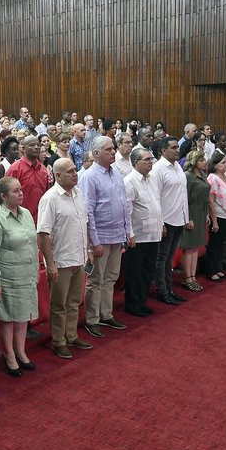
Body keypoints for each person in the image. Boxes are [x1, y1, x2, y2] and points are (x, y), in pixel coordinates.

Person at [37, 158, 93, 359]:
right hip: (61, 260)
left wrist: (88, 251)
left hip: (79, 256)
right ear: (58, 176)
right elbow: (43, 234)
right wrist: (50, 263)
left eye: (75, 170)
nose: (75, 174)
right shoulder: (50, 198)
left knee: (74, 301)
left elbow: (84, 224)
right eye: (69, 171)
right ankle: (58, 340)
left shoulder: (78, 193)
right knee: (59, 304)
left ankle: (71, 335)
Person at [78, 137, 134, 337]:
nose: (113, 152)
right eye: (108, 149)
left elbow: (124, 204)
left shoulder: (116, 173)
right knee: (96, 280)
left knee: (110, 278)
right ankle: (92, 319)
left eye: (113, 149)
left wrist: (127, 232)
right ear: (96, 154)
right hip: (100, 236)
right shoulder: (89, 177)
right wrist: (94, 242)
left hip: (117, 234)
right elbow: (88, 212)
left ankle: (106, 314)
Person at [0, 177, 38, 376]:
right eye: (15, 191)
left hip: (27, 273)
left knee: (23, 316)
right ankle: (9, 355)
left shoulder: (26, 213)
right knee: (8, 318)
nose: (20, 194)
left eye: (20, 190)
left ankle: (20, 351)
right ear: (3, 196)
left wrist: (35, 270)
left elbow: (32, 244)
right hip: (8, 277)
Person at [151, 137, 190, 306]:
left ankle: (169, 289)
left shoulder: (177, 167)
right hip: (166, 219)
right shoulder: (158, 169)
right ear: (162, 151)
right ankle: (162, 290)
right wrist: (160, 223)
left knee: (169, 257)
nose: (177, 150)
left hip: (179, 218)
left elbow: (182, 195)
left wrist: (186, 217)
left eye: (177, 147)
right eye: (173, 147)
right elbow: (155, 198)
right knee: (162, 257)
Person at [123, 148, 162, 317]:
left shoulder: (152, 179)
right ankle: (133, 303)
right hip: (138, 235)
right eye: (146, 159)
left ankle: (142, 301)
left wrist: (161, 224)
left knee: (148, 270)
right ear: (135, 163)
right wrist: (130, 234)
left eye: (151, 159)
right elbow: (127, 211)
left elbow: (157, 203)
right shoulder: (129, 181)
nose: (150, 162)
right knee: (135, 272)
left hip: (153, 232)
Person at [178, 151, 215, 290]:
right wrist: (188, 218)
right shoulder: (188, 176)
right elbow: (184, 199)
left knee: (195, 247)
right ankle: (187, 278)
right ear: (193, 162)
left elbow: (205, 197)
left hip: (201, 212)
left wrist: (206, 214)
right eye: (201, 160)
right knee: (189, 247)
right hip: (191, 212)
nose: (204, 162)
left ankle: (192, 276)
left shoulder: (203, 175)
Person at [203, 152, 226, 281]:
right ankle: (210, 270)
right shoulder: (212, 178)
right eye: (222, 163)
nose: (225, 165)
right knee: (214, 244)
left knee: (221, 243)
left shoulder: (225, 176)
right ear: (215, 165)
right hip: (218, 215)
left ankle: (218, 267)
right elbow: (211, 201)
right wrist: (215, 221)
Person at [5, 135, 50, 222]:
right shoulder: (15, 168)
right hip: (21, 218)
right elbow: (7, 194)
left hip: (41, 218)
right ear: (23, 148)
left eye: (38, 145)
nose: (36, 147)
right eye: (32, 145)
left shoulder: (43, 169)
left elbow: (47, 193)